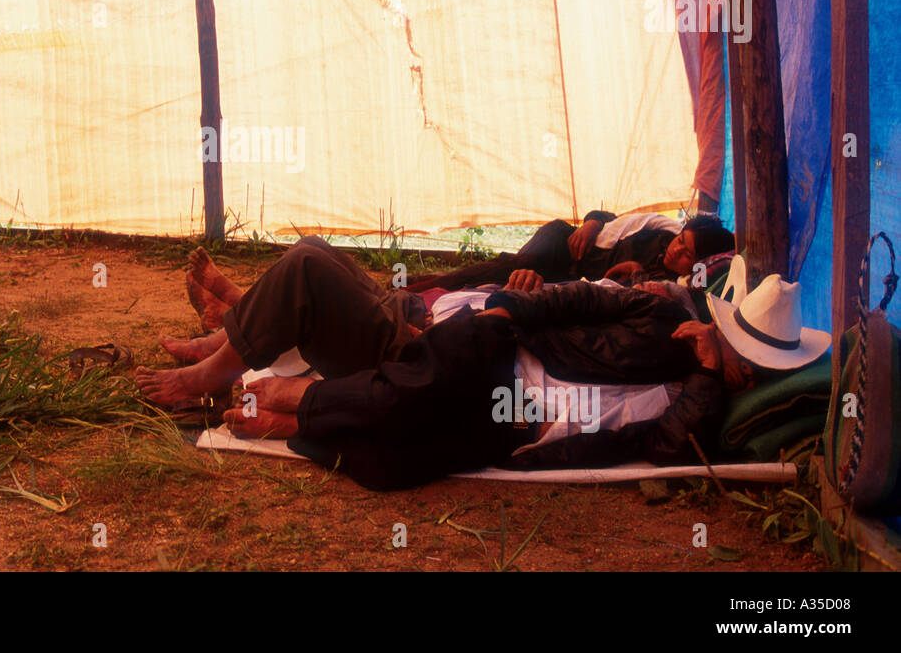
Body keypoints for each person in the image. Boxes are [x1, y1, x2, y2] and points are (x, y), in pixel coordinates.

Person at [139, 238, 825, 490]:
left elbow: (665, 448)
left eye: (753, 368)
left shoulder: (705, 397)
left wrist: (706, 375)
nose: (747, 372)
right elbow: (573, 297)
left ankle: (294, 411)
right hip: (500, 351)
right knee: (401, 380)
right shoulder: (660, 315)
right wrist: (500, 316)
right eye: (747, 355)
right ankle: (279, 389)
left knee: (395, 461)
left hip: (517, 423)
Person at [404, 211, 735, 296]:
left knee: (512, 275)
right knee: (518, 265)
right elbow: (613, 219)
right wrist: (591, 222)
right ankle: (425, 283)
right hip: (566, 241)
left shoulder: (673, 282)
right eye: (681, 241)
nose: (676, 248)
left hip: (572, 275)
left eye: (685, 252)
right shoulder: (664, 230)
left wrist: (634, 274)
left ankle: (435, 282)